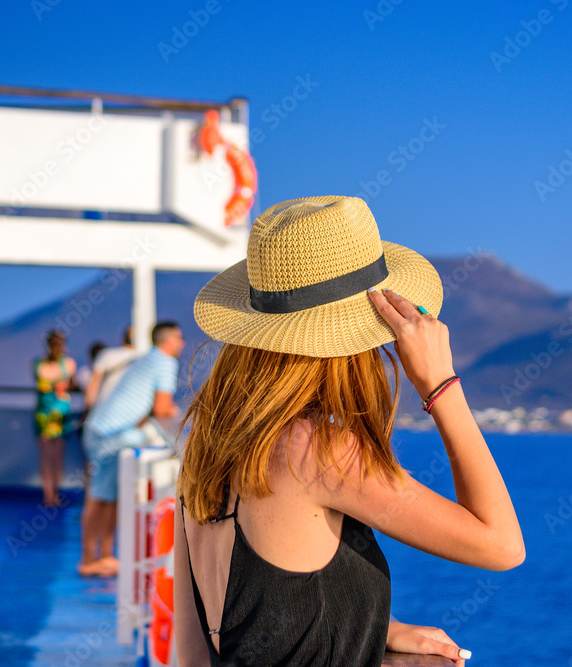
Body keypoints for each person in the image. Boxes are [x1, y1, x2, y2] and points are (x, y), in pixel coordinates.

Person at [175, 196, 524, 666]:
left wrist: (376, 632)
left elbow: (199, 651)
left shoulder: (209, 449)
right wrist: (441, 385)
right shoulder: (318, 451)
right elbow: (501, 546)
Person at [79, 322, 184, 577]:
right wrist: (173, 411)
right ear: (168, 341)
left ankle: (103, 555)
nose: (182, 343)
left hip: (104, 430)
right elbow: (161, 408)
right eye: (179, 338)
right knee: (98, 497)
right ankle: (87, 559)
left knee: (108, 497)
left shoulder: (148, 359)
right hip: (111, 435)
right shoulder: (165, 363)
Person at [33, 330, 77, 507]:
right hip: (60, 414)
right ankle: (55, 494)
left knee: (46, 457)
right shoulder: (68, 365)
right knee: (57, 457)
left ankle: (48, 495)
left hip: (44, 413)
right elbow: (70, 384)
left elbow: (42, 383)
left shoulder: (39, 364)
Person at [83, 326, 138, 411]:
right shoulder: (143, 357)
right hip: (133, 410)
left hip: (106, 409)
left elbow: (94, 384)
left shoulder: (107, 355)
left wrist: (87, 409)